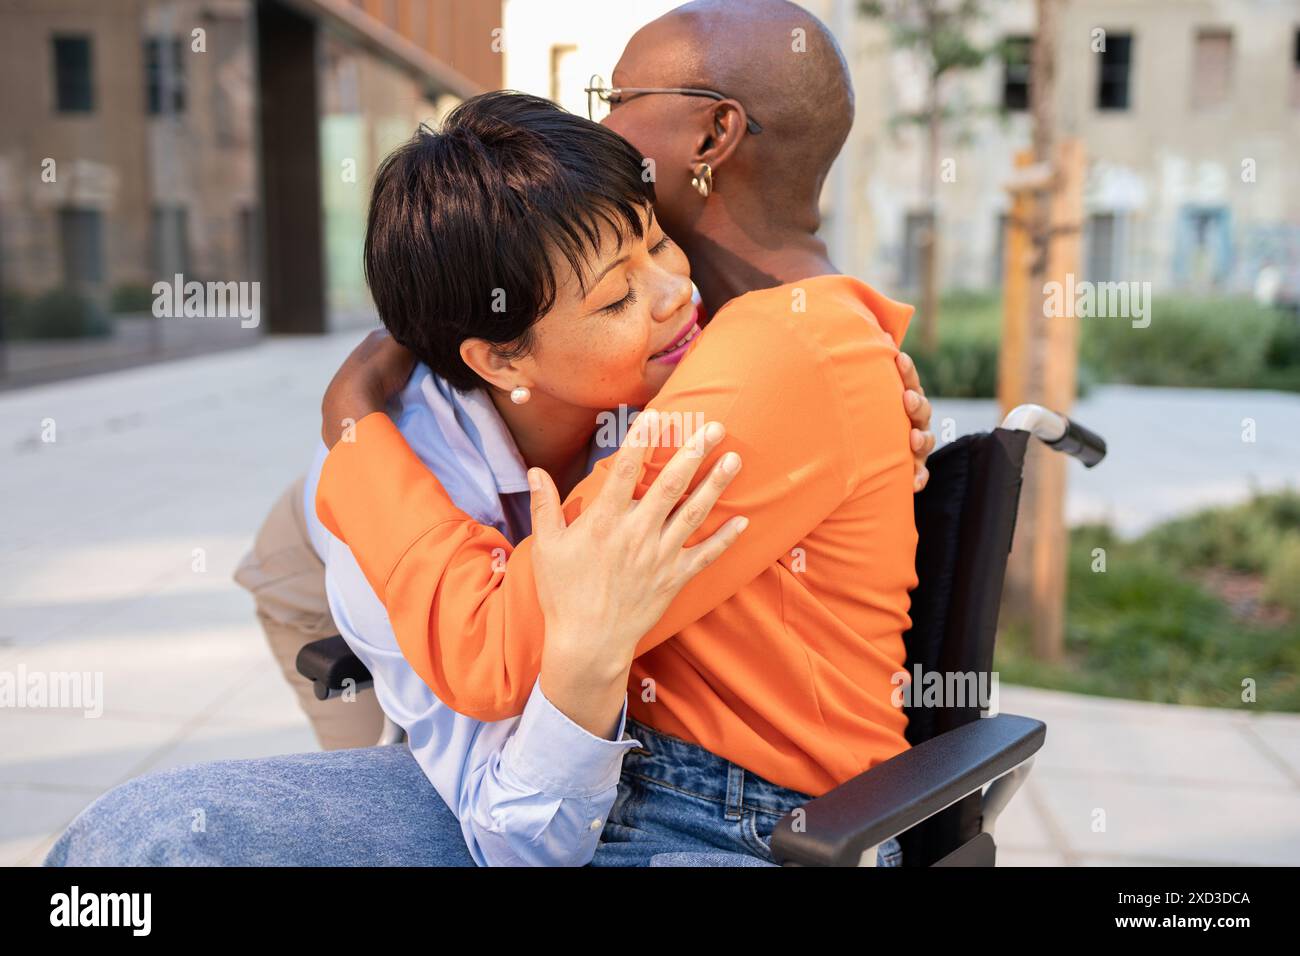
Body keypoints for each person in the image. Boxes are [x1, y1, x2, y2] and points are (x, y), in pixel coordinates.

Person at [315, 0, 923, 858]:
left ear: (713, 135)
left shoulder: (776, 352)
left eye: (619, 94)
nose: (599, 121)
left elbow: (491, 647)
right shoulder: (734, 339)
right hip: (651, 787)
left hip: (739, 821)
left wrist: (351, 425)